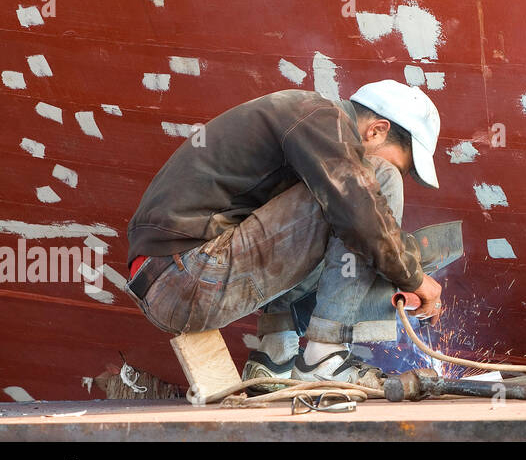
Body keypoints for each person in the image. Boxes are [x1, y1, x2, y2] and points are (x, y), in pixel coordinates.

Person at [124, 80, 444, 389]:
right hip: (189, 275)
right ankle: (325, 360)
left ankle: (275, 355)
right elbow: (362, 219)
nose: (403, 176)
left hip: (174, 277)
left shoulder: (309, 125)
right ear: (377, 130)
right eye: (405, 167)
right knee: (371, 191)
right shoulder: (319, 118)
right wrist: (415, 279)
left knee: (346, 203)